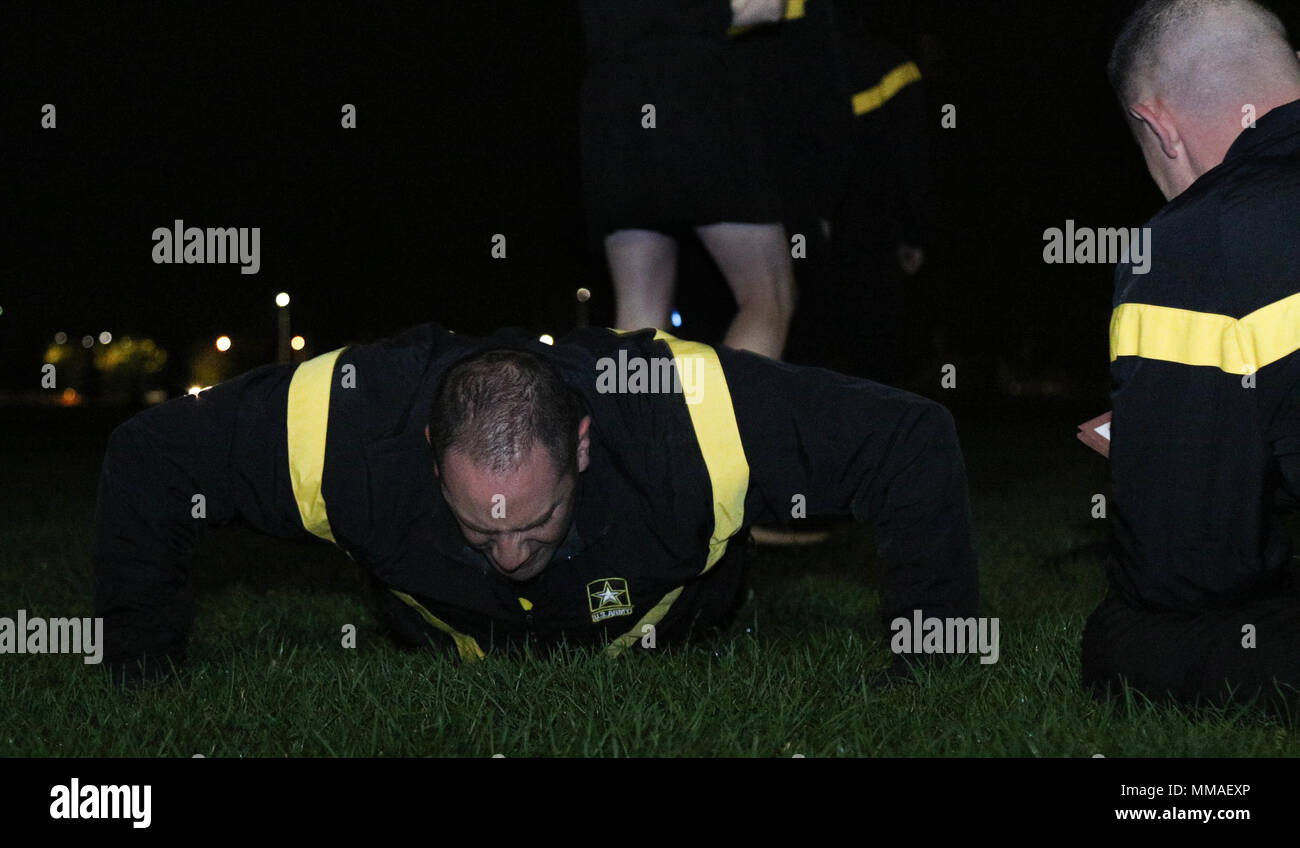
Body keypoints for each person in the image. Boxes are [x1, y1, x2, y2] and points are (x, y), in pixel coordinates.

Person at [94, 322, 978, 683]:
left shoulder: (690, 416)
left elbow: (912, 437)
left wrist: (925, 662)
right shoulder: (341, 428)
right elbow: (148, 458)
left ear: (585, 446)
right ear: (431, 456)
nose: (510, 551)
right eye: (480, 525)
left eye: (537, 519)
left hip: (665, 616)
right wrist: (142, 661)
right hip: (441, 627)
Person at [1083, 0, 1300, 716]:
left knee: (1130, 639)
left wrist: (1161, 446)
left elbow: (1184, 571)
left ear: (1158, 124)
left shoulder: (1192, 240)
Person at [578, 0, 796, 359]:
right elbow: (766, 6)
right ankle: (717, 416)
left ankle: (625, 415)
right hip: (692, 84)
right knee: (767, 297)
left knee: (639, 316)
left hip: (611, 98)